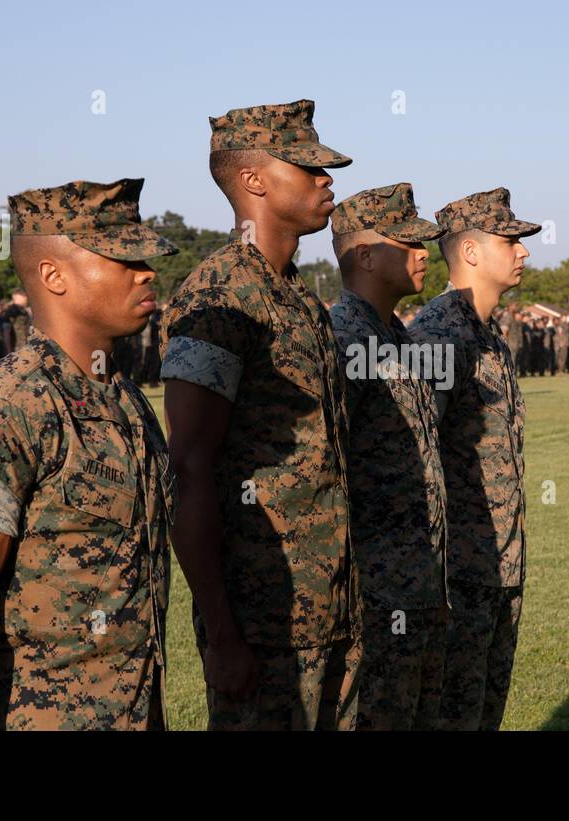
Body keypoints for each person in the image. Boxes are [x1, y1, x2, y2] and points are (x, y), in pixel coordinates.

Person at [0, 177, 178, 730]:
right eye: (120, 258)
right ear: (52, 275)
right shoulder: (4, 410)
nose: (147, 271)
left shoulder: (125, 399)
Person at [160, 99, 358, 731]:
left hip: (333, 606)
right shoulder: (221, 297)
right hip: (264, 621)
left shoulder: (298, 296)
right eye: (308, 167)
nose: (327, 180)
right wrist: (221, 631)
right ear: (254, 182)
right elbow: (188, 468)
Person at [407, 187, 537, 731]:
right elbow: (413, 456)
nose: (524, 251)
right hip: (455, 575)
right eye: (510, 240)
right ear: (471, 252)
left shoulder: (488, 338)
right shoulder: (439, 337)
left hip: (498, 564)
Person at [328, 183, 449, 730]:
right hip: (375, 597)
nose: (424, 254)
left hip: (416, 583)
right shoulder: (345, 340)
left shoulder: (393, 336)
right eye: (409, 244)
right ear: (368, 256)